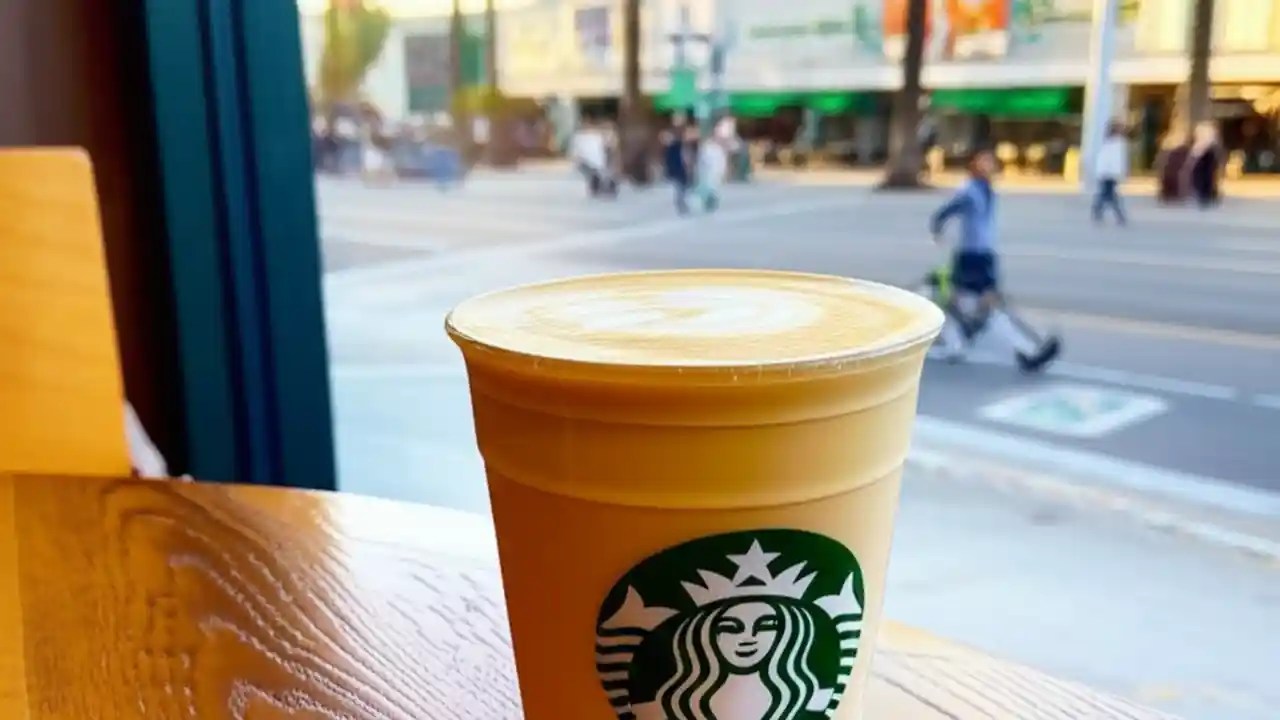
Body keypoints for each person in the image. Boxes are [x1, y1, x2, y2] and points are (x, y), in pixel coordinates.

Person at [928, 148, 1061, 373]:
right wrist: (938, 226)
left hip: (984, 256)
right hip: (972, 257)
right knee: (968, 305)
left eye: (991, 162)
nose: (989, 166)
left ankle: (959, 343)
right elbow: (948, 210)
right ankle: (1020, 349)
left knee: (969, 306)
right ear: (974, 164)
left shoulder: (987, 190)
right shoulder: (970, 190)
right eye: (984, 161)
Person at [1092, 120, 1129, 226]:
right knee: (1109, 195)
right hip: (1109, 173)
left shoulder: (1109, 142)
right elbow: (1116, 160)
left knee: (1107, 194)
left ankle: (1099, 210)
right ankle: (1118, 215)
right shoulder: (1116, 143)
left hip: (1107, 172)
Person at [570, 120, 610, 198]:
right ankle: (597, 186)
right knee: (594, 172)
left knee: (594, 173)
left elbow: (575, 153)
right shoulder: (593, 136)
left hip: (592, 164)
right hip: (592, 164)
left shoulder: (595, 136)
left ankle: (597, 186)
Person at [1188, 121, 1223, 209]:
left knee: (1202, 175)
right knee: (1208, 175)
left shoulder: (1201, 130)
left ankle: (1204, 193)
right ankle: (1208, 193)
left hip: (1202, 153)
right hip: (1207, 152)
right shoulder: (1210, 131)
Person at [661, 126, 692, 214]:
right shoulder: (672, 148)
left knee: (681, 189)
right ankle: (682, 205)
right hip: (677, 171)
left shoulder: (676, 147)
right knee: (680, 189)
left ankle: (683, 205)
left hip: (679, 170)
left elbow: (681, 159)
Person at [1155, 130, 1190, 204]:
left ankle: (1171, 194)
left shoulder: (1181, 148)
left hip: (1172, 169)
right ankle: (1170, 193)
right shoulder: (1169, 146)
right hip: (1170, 169)